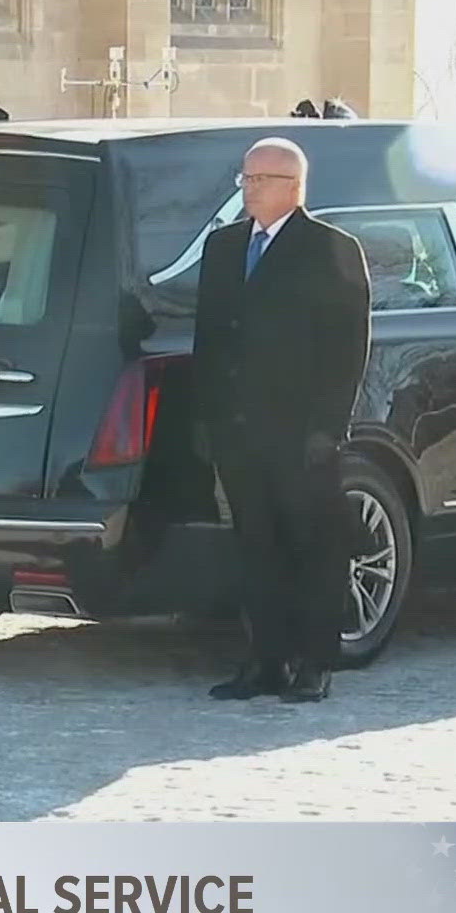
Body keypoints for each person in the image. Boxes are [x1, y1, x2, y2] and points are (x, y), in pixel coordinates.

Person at [191, 137, 370, 703]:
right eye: (244, 178)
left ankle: (314, 664)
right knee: (256, 546)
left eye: (260, 179)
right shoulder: (224, 246)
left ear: (293, 187)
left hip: (300, 430)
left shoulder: (330, 249)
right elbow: (210, 336)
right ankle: (264, 661)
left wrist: (327, 427)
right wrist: (207, 414)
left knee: (314, 546)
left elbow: (347, 346)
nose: (248, 188)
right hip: (238, 427)